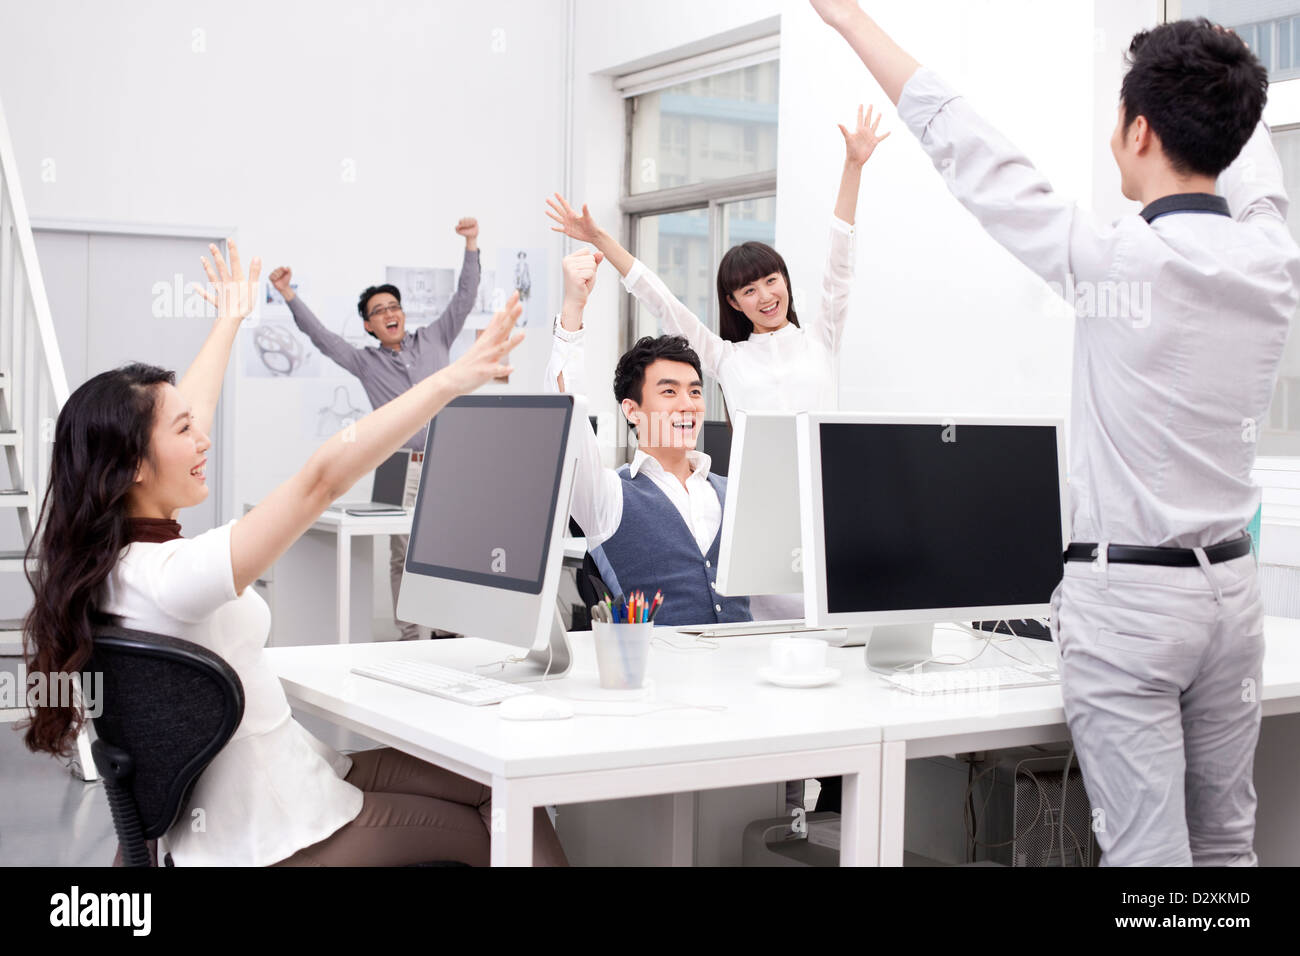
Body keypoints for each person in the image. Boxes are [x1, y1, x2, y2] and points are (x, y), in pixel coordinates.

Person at [812, 0, 1300, 865]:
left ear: (1139, 131)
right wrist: (1217, 62)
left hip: (1135, 602)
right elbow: (1252, 159)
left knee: (1148, 857)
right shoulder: (1272, 256)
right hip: (1233, 592)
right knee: (1227, 845)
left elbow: (970, 150)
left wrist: (851, 22)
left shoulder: (1112, 258)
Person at [22, 240, 566, 867]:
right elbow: (320, 481)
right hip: (274, 834)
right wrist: (451, 380)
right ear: (136, 466)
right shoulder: (172, 578)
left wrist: (229, 318)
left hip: (296, 778)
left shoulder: (113, 562)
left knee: (487, 778)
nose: (203, 437)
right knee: (504, 816)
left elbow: (182, 416)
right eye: (182, 431)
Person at [546, 107, 885, 625]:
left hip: (824, 509)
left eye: (772, 281)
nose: (765, 296)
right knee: (759, 637)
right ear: (735, 302)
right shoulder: (726, 358)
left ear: (785, 283)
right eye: (749, 290)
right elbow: (660, 299)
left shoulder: (823, 339)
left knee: (833, 634)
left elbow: (841, 261)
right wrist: (601, 242)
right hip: (757, 521)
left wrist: (854, 167)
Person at [268, 216, 481, 640]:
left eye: (393, 307)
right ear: (368, 325)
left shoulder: (437, 337)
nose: (388, 314)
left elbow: (465, 296)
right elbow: (322, 338)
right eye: (378, 311)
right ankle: (409, 634)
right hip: (396, 466)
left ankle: (446, 630)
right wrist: (288, 293)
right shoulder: (365, 363)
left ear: (403, 313)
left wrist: (471, 243)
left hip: (447, 464)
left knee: (449, 551)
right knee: (402, 555)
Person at [545, 248, 750, 628]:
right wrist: (573, 308)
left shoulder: (734, 491)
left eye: (695, 390)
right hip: (656, 675)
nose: (688, 403)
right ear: (631, 410)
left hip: (745, 674)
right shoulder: (607, 496)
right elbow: (566, 417)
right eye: (669, 392)